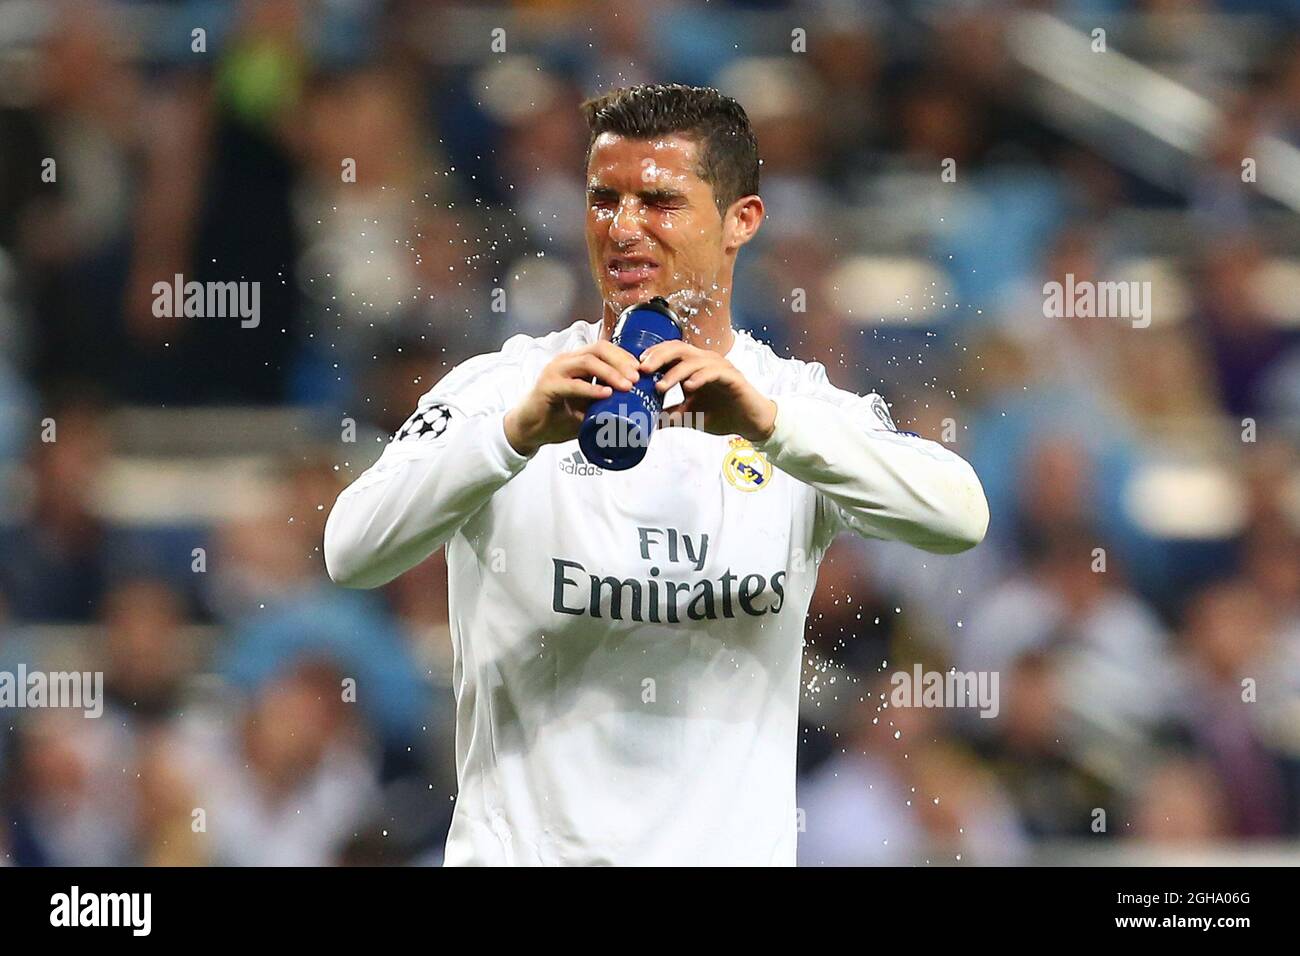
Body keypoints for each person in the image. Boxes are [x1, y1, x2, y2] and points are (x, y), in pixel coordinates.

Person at [324, 84, 988, 865]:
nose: (624, 228)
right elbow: (352, 551)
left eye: (660, 202)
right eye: (604, 198)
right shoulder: (509, 390)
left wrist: (770, 428)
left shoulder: (787, 407)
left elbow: (960, 516)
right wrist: (513, 437)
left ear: (742, 220)